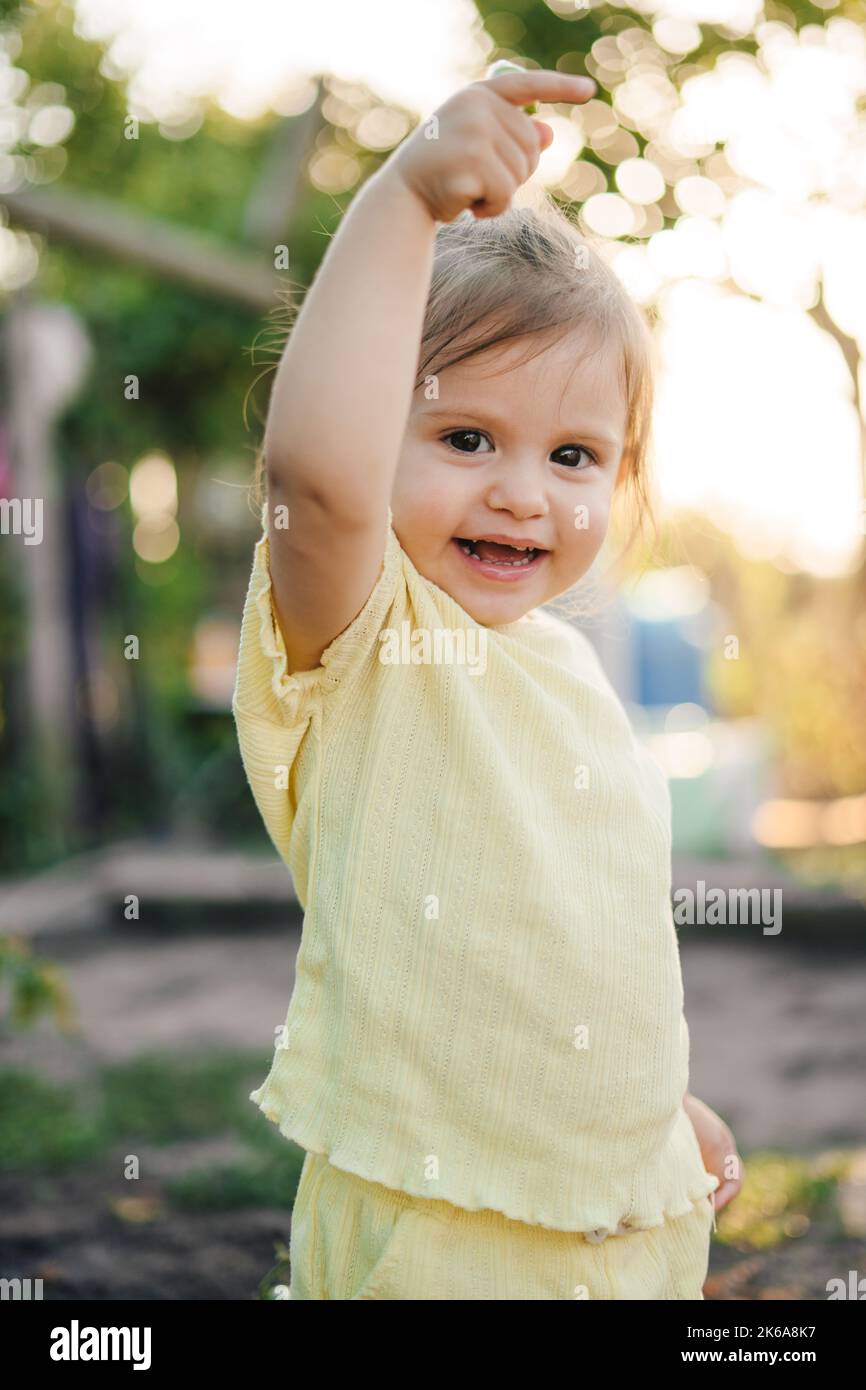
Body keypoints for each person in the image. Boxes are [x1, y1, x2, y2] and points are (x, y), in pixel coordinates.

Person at [232, 65, 742, 1300]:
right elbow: (318, 470)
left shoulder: (563, 673)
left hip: (607, 1217)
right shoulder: (362, 628)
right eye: (465, 437)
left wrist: (644, 1111)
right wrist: (407, 194)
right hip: (441, 1215)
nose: (523, 490)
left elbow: (555, 942)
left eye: (573, 455)